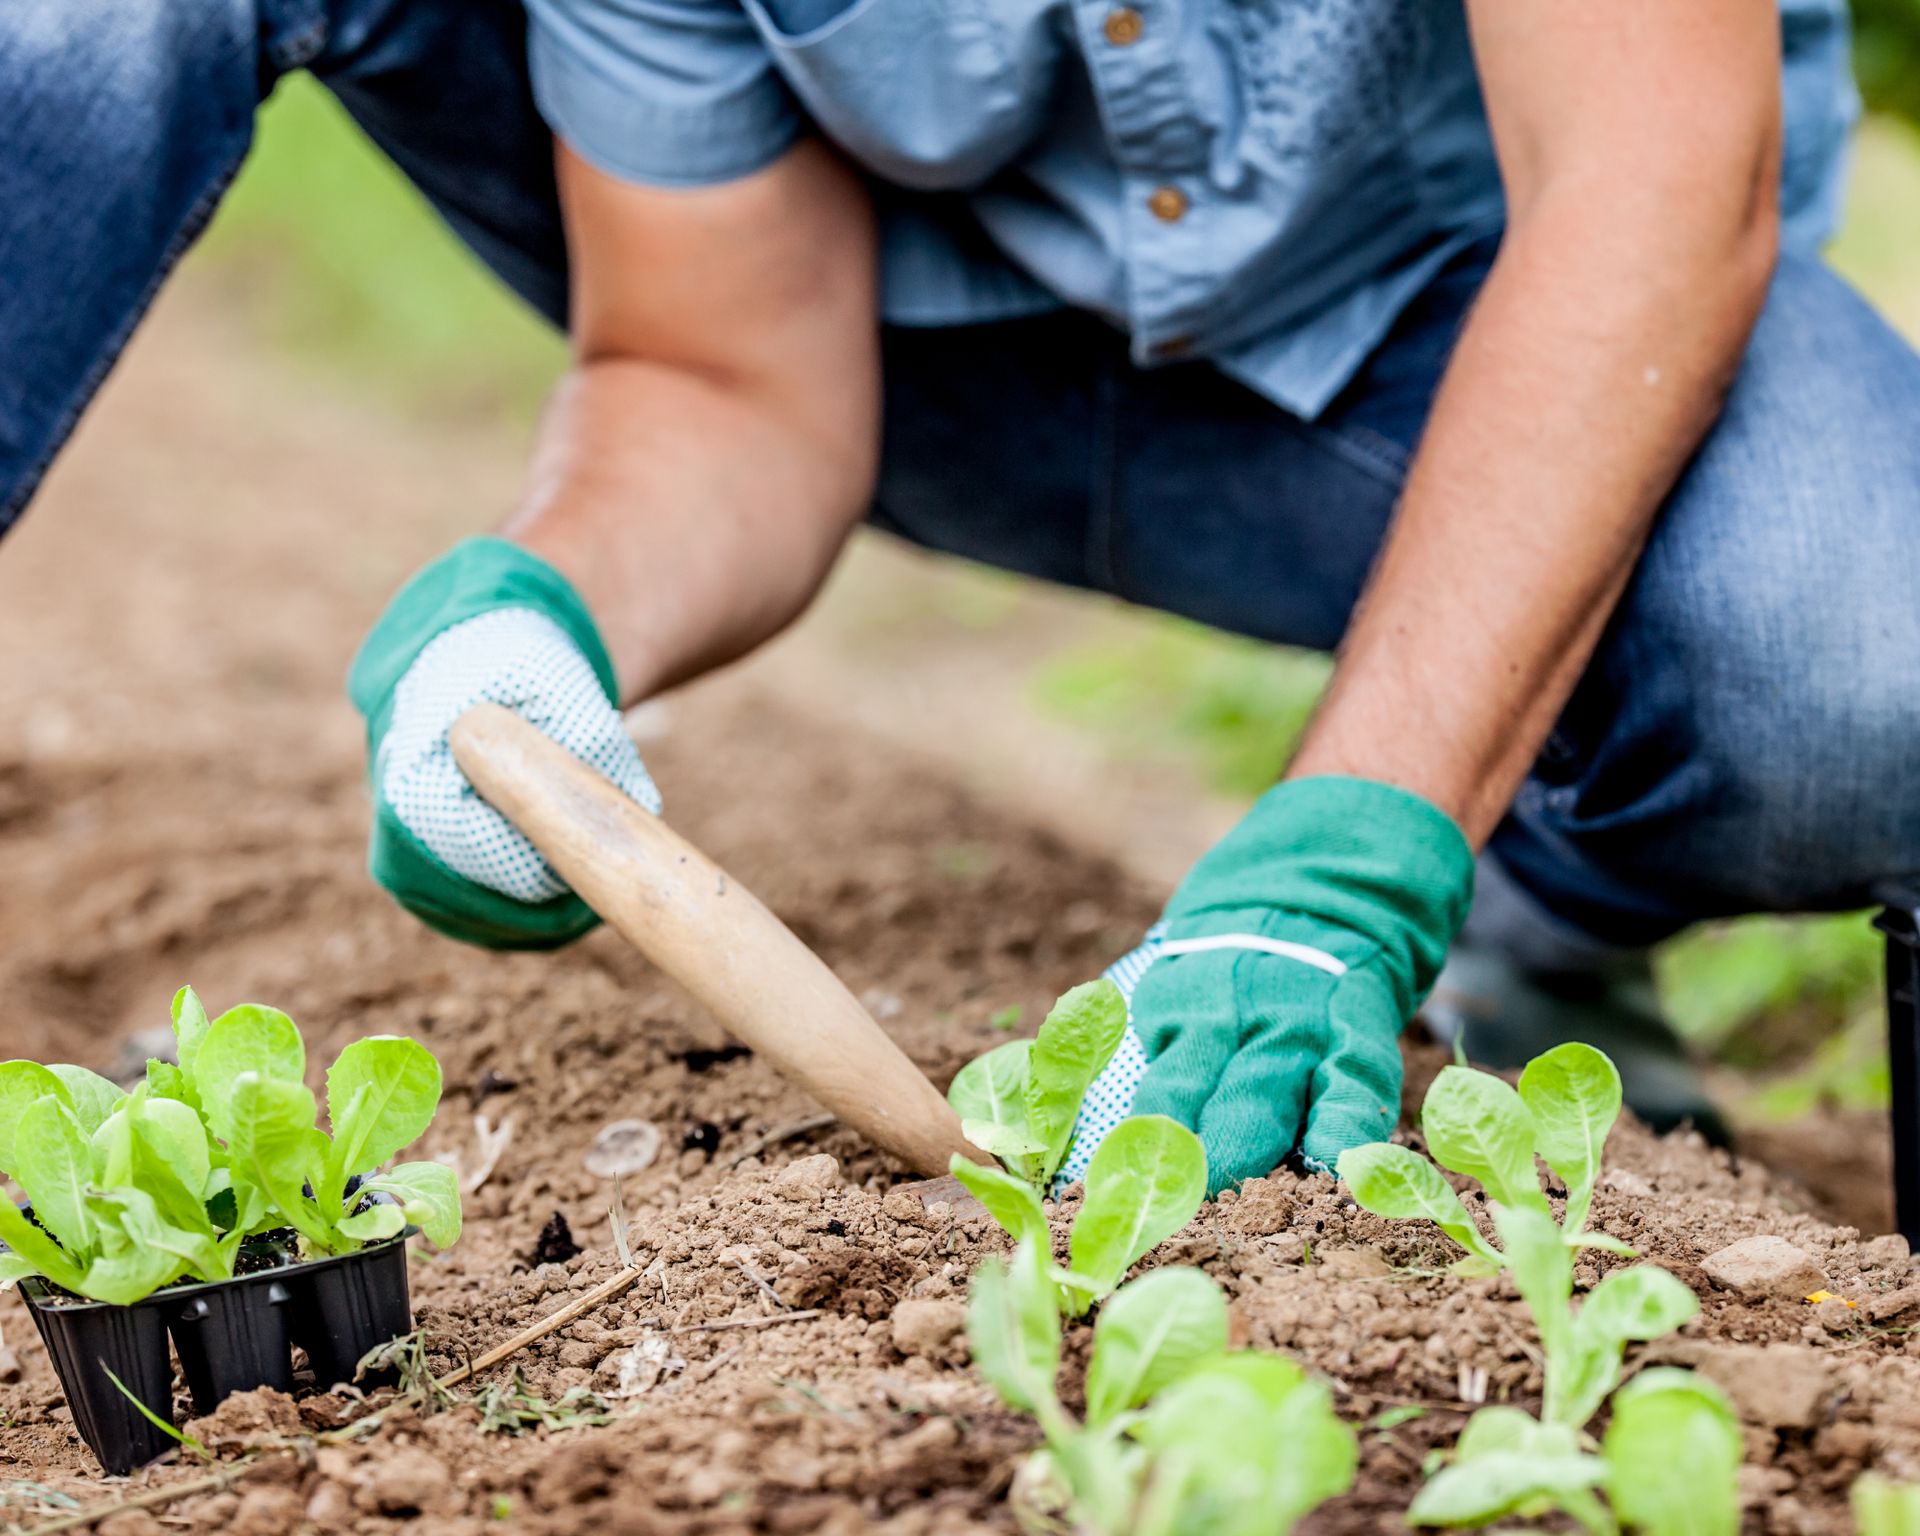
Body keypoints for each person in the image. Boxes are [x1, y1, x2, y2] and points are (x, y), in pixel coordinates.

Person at [5, 0, 1913, 1196]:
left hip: (1473, 336)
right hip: (926, 347)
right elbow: (724, 373)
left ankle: (1540, 886)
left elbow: (1649, 187)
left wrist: (1356, 848)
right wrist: (542, 610)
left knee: (1860, 659)